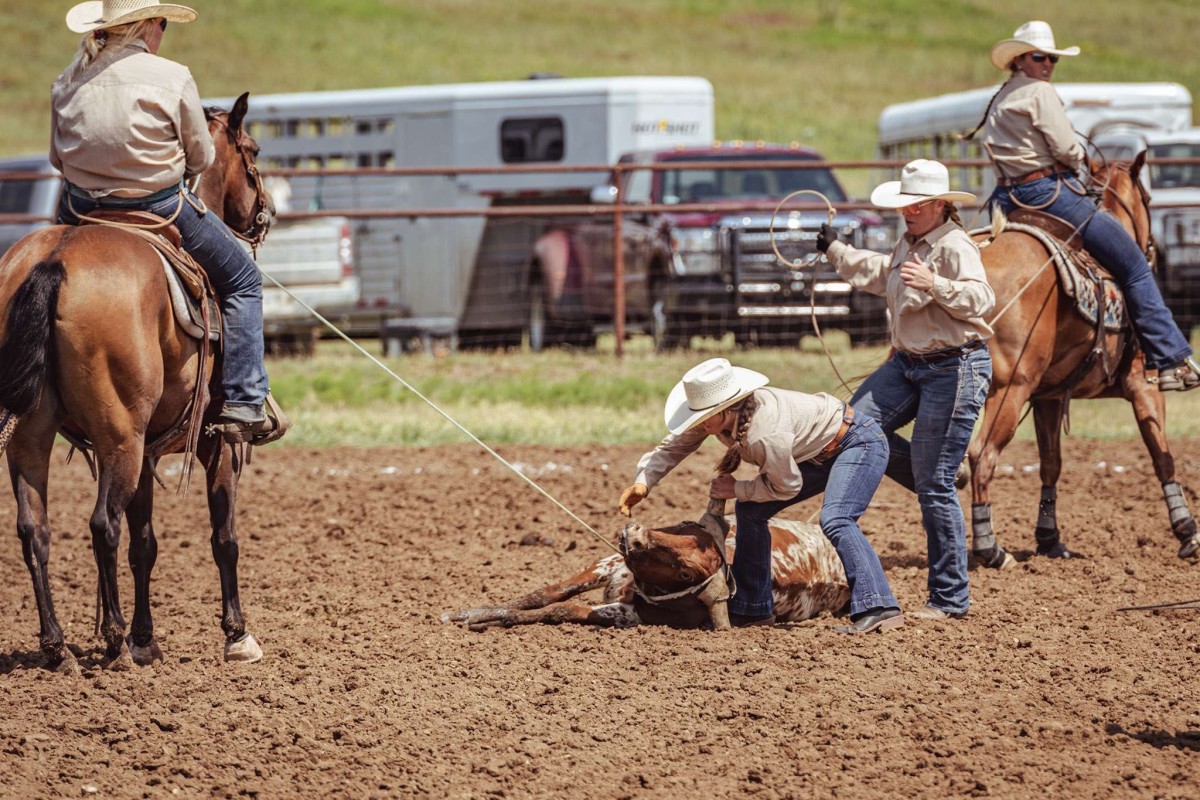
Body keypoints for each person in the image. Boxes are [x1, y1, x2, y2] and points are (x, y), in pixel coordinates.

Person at [51, 0, 281, 442]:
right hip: (158, 207)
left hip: (79, 210)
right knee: (244, 280)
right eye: (161, 25)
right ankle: (245, 398)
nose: (162, 33)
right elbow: (202, 156)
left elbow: (56, 157)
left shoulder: (67, 78)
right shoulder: (172, 76)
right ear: (148, 26)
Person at [975, 19, 1200, 391]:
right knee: (1133, 264)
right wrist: (1079, 155)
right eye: (1039, 56)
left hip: (1005, 200)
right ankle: (1171, 359)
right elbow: (1065, 147)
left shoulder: (1001, 97)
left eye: (1052, 59)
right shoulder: (1040, 93)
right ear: (1020, 59)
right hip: (1046, 194)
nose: (1047, 64)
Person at [817, 159, 993, 621]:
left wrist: (935, 283)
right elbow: (883, 274)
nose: (907, 212)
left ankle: (950, 600)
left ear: (938, 205)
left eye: (915, 206)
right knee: (848, 428)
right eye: (905, 205)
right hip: (909, 364)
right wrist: (836, 251)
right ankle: (932, 469)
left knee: (933, 486)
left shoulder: (956, 246)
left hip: (954, 365)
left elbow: (982, 299)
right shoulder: (911, 242)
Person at [618, 358, 903, 634]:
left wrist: (737, 489)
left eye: (705, 417)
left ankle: (878, 606)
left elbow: (786, 485)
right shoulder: (724, 420)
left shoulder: (764, 434)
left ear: (727, 409)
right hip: (821, 451)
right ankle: (753, 608)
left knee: (837, 518)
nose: (701, 423)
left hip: (857, 443)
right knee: (751, 512)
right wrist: (644, 482)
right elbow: (675, 446)